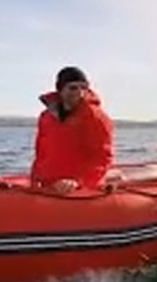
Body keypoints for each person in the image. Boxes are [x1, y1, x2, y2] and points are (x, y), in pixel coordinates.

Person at [30, 65, 116, 194]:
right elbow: (41, 152)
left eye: (83, 88)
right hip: (50, 186)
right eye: (73, 88)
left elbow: (102, 156)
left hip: (78, 188)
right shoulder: (46, 117)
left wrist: (79, 182)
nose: (79, 93)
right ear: (60, 89)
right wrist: (35, 178)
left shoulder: (95, 117)